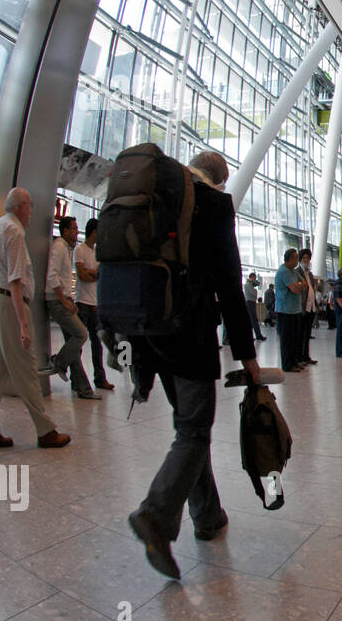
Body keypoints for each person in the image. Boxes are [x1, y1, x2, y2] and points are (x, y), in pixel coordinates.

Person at [126, 151, 259, 580]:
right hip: (191, 330)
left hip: (152, 332)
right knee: (194, 429)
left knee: (188, 424)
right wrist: (248, 357)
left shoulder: (159, 194)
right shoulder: (215, 205)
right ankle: (155, 514)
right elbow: (229, 284)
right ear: (221, 180)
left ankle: (208, 516)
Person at [0, 188, 70, 449]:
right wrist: (23, 324)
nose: (32, 211)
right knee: (27, 371)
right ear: (20, 207)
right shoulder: (15, 231)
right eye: (29, 206)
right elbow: (16, 280)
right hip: (10, 304)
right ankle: (45, 431)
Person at [45, 215, 98, 400]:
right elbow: (52, 276)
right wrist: (64, 301)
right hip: (58, 302)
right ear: (65, 230)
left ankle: (82, 388)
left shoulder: (67, 248)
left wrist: (69, 300)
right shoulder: (60, 247)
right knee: (81, 334)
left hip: (66, 300)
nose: (77, 231)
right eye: (74, 228)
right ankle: (58, 361)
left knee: (75, 346)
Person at [73, 217, 114, 391]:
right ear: (94, 232)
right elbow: (82, 275)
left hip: (95, 303)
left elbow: (101, 275)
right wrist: (94, 273)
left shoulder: (98, 252)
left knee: (97, 344)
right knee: (79, 342)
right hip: (82, 302)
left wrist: (93, 274)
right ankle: (77, 380)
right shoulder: (80, 249)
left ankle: (99, 378)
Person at [274, 248, 308, 372]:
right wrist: (299, 286)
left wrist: (299, 285)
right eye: (295, 257)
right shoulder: (284, 271)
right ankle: (287, 365)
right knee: (287, 340)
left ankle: (294, 362)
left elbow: (304, 284)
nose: (297, 260)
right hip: (285, 311)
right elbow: (295, 289)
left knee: (295, 339)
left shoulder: (293, 272)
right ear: (290, 259)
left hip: (295, 310)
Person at [296, 249, 318, 366]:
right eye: (304, 258)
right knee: (301, 334)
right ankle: (300, 357)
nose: (306, 260)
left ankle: (306, 355)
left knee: (307, 333)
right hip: (302, 307)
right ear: (300, 259)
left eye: (308, 258)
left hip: (311, 307)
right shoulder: (297, 272)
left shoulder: (310, 274)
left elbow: (312, 289)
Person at [243, 271, 265, 341]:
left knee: (251, 319)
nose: (255, 279)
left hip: (250, 302)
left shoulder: (250, 283)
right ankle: (258, 335)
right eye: (254, 278)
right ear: (252, 277)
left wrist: (253, 281)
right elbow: (254, 294)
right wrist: (255, 290)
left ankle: (255, 335)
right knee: (254, 319)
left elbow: (258, 283)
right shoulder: (248, 284)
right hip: (250, 302)